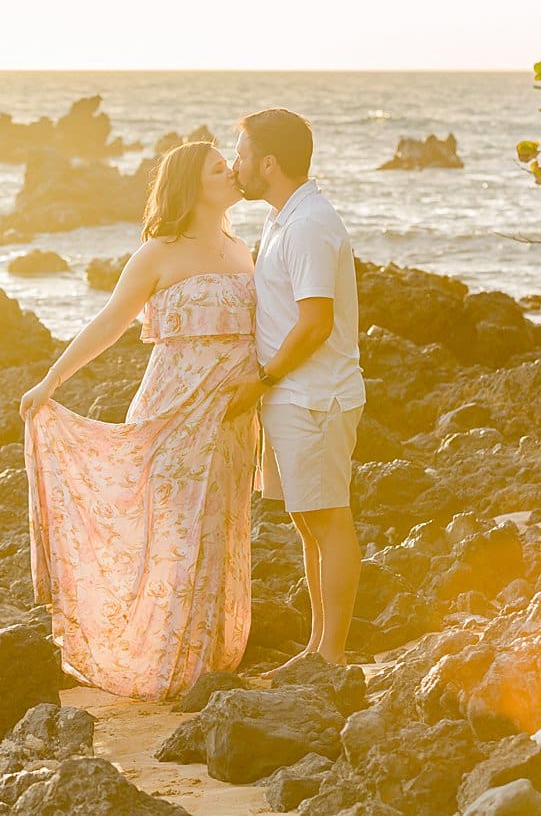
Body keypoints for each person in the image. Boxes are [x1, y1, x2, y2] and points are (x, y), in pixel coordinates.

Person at [20, 140, 259, 700]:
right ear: (191, 186)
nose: (231, 173)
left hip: (232, 419)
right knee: (174, 536)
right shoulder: (158, 253)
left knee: (220, 530)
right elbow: (110, 322)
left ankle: (206, 661)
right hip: (172, 414)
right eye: (218, 169)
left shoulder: (243, 249)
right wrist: (51, 380)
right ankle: (162, 665)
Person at [224, 108, 365, 669]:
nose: (234, 166)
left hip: (316, 399)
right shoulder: (282, 217)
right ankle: (315, 647)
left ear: (268, 163)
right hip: (292, 396)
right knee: (308, 524)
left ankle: (332, 654)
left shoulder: (309, 224)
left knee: (329, 521)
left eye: (240, 155)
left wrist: (262, 380)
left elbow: (316, 323)